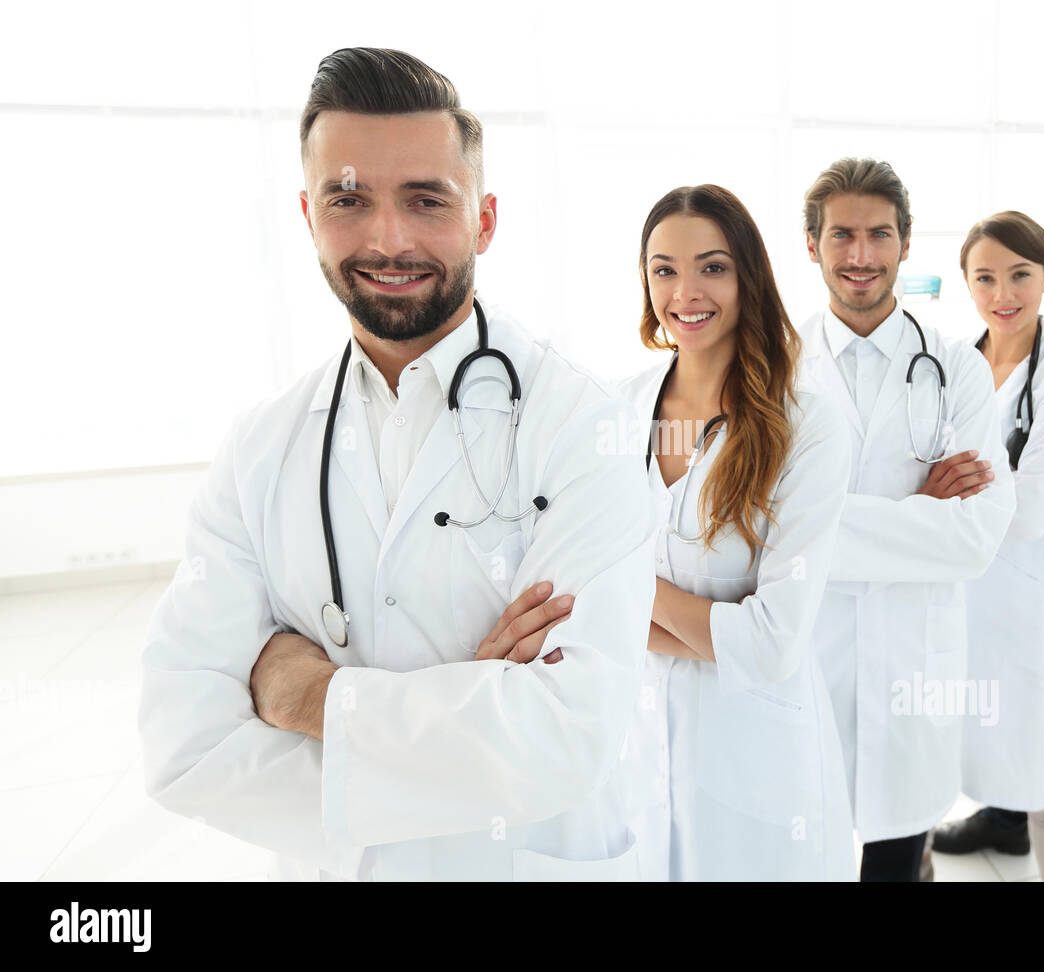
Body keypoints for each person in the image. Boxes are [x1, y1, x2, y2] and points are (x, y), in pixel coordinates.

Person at [137, 48, 656, 881]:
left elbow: (565, 737)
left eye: (426, 200)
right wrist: (467, 720)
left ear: (484, 219)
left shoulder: (584, 426)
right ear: (308, 215)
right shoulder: (260, 449)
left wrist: (306, 695)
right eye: (349, 200)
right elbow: (181, 743)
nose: (388, 237)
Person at [617, 185, 856, 881]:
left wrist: (623, 590)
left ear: (749, 276)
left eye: (712, 267)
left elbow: (773, 642)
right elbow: (572, 589)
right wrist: (698, 630)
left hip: (756, 752)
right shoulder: (616, 408)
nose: (686, 291)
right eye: (664, 269)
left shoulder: (805, 427)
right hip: (635, 738)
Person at [796, 158, 1015, 881]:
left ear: (907, 241)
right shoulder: (771, 367)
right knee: (807, 844)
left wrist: (814, 526)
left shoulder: (958, 368)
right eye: (842, 236)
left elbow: (976, 538)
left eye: (879, 234)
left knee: (895, 857)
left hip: (913, 662)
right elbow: (756, 527)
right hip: (805, 652)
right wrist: (916, 517)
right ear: (811, 243)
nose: (861, 256)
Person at [930, 212, 1044, 881]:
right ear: (966, 285)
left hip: (1022, 601)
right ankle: (987, 829)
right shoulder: (954, 365)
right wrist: (958, 488)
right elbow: (925, 475)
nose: (1004, 293)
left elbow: (1027, 516)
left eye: (1020, 274)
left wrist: (953, 491)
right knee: (947, 751)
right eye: (986, 277)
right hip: (957, 595)